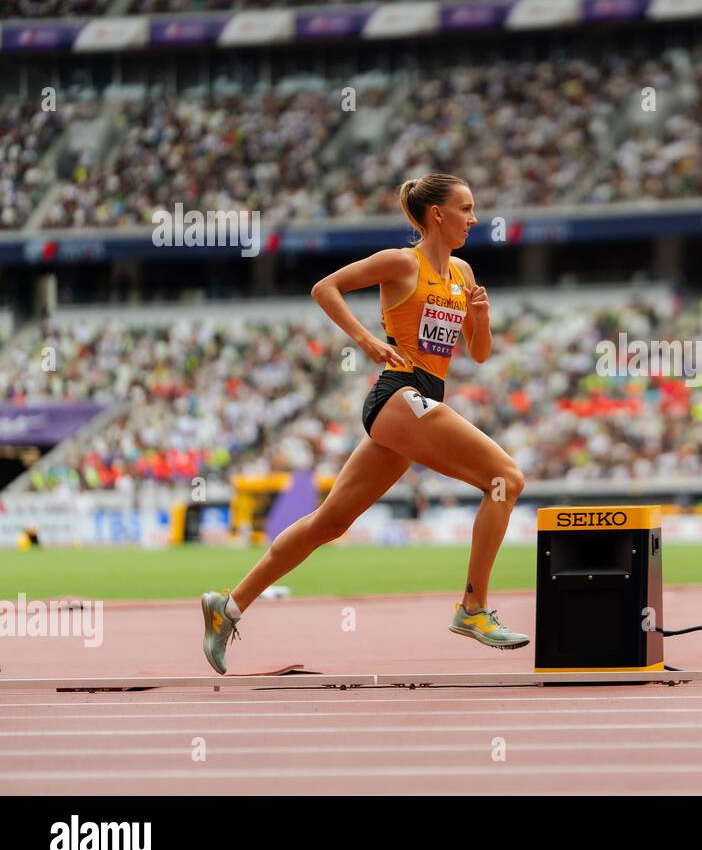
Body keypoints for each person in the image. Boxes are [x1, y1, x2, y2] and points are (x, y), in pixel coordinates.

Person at [200, 173, 528, 674]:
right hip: (399, 394)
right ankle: (473, 609)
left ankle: (229, 606)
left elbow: (477, 355)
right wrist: (364, 340)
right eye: (466, 208)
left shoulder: (462, 272)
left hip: (420, 401)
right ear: (436, 214)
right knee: (505, 479)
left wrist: (479, 320)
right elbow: (324, 287)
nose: (475, 218)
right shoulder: (402, 262)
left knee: (330, 522)